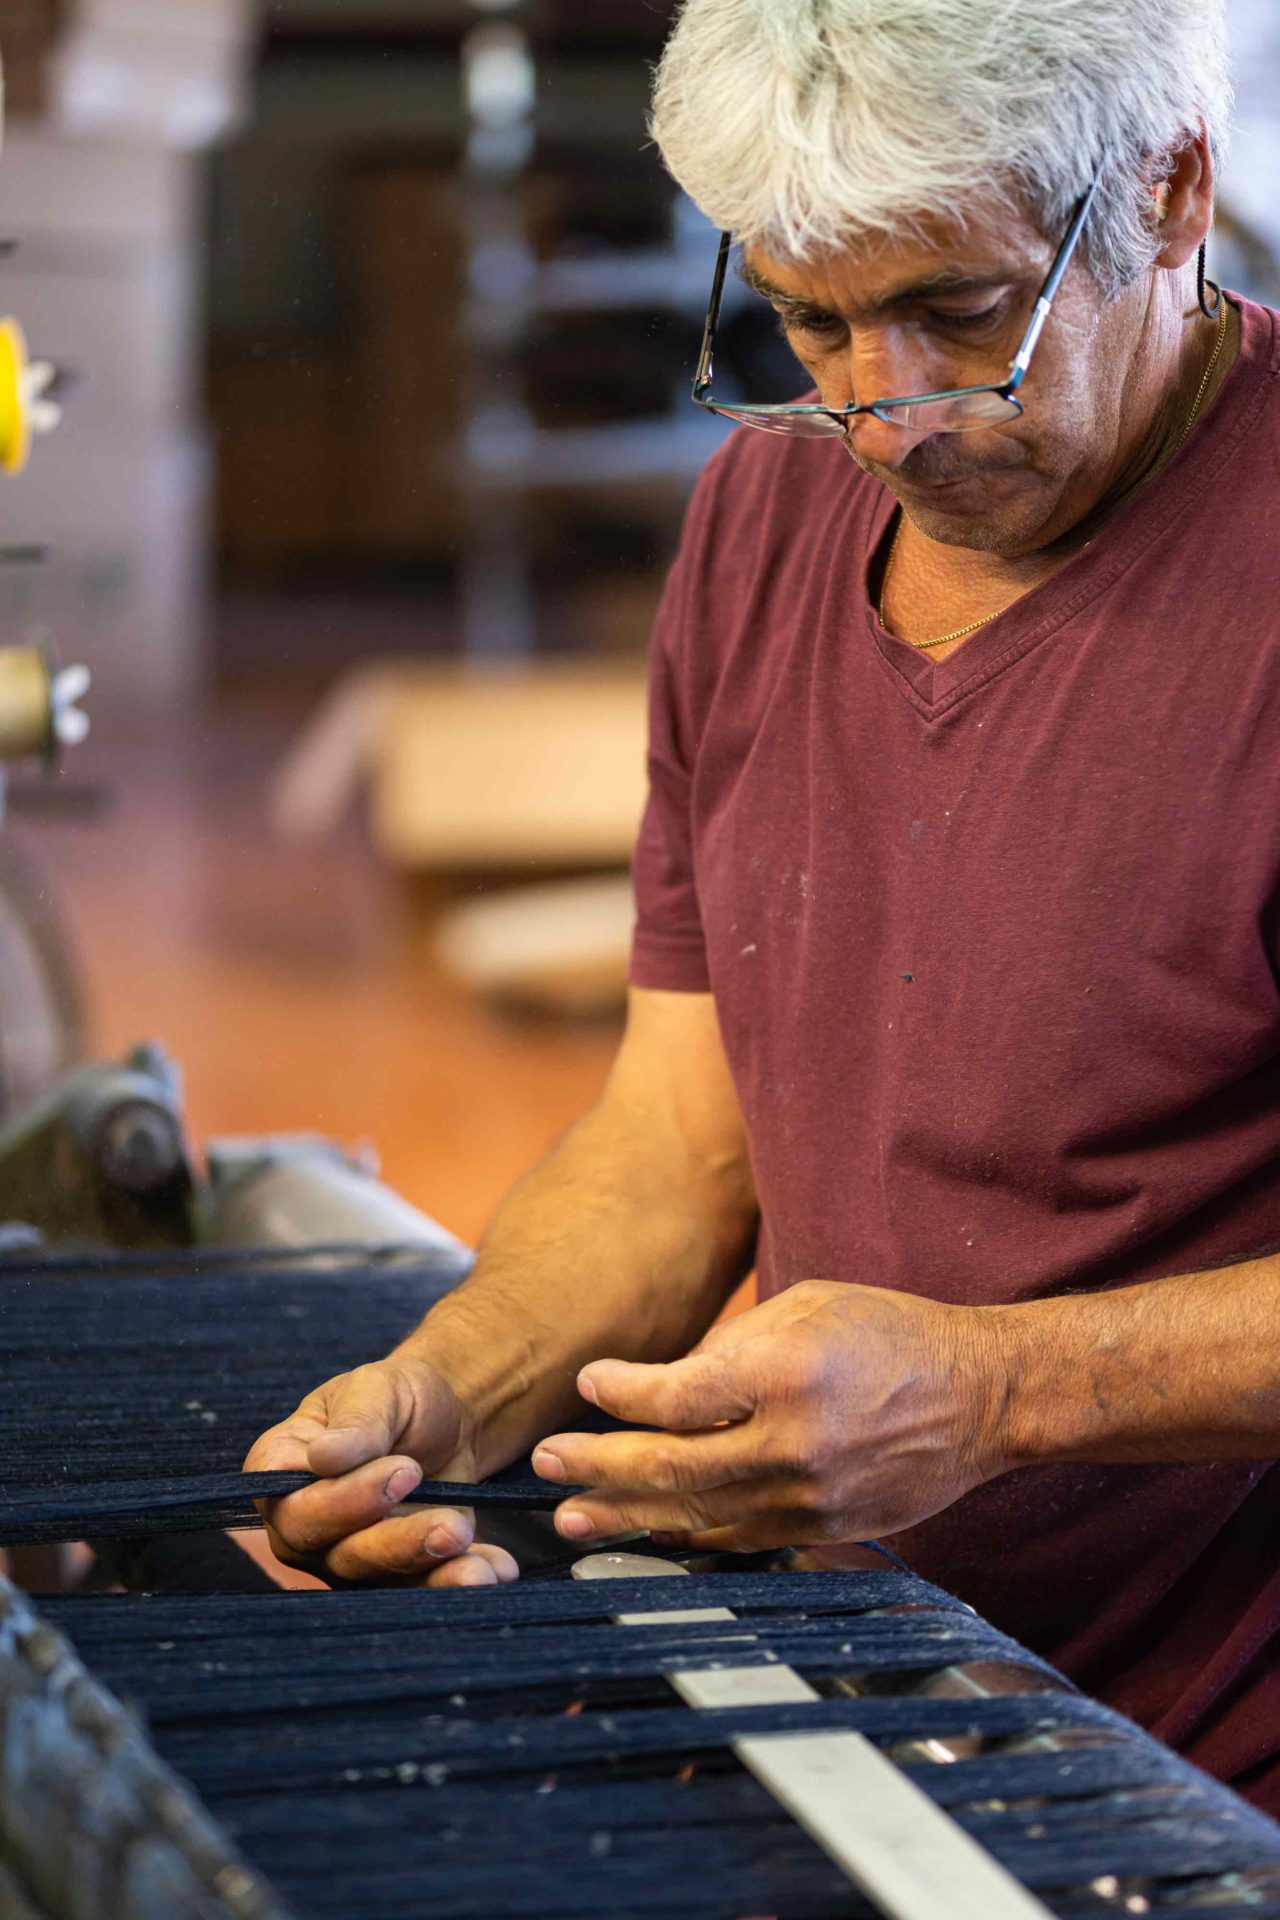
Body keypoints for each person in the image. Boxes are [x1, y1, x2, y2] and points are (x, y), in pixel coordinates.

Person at [248, 0, 1280, 1808]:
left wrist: (992, 1395)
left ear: (1176, 192)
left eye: (963, 316)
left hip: (1215, 1781)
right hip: (849, 1701)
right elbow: (673, 1144)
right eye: (812, 325)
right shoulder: (759, 527)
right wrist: (454, 1395)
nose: (881, 419)